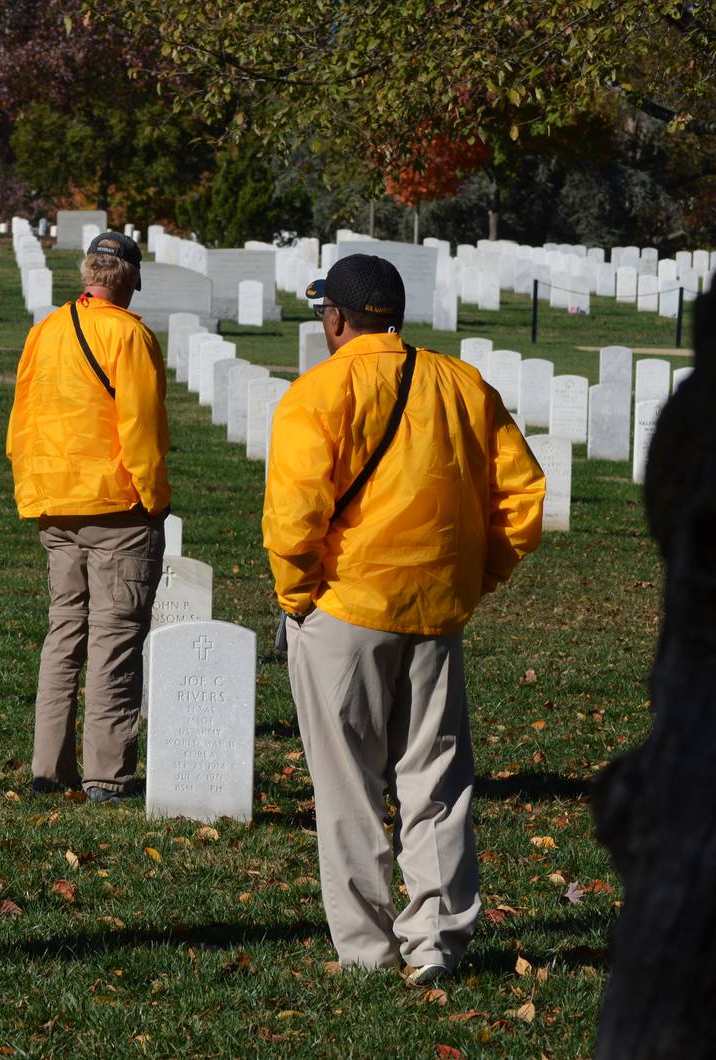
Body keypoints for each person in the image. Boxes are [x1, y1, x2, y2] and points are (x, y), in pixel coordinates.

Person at [263, 253, 545, 985]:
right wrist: (478, 577)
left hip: (344, 607)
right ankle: (435, 945)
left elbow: (294, 519)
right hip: (435, 609)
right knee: (436, 779)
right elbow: (522, 498)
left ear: (335, 319)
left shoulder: (316, 393)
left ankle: (366, 950)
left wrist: (297, 597)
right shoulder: (463, 384)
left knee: (348, 785)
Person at [6, 230, 170, 802]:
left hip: (54, 503)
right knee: (114, 639)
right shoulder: (130, 335)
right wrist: (154, 498)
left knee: (64, 633)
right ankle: (107, 775)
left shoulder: (46, 330)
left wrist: (35, 488)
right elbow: (141, 428)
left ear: (87, 273)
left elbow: (21, 418)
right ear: (133, 279)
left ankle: (49, 769)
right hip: (115, 505)